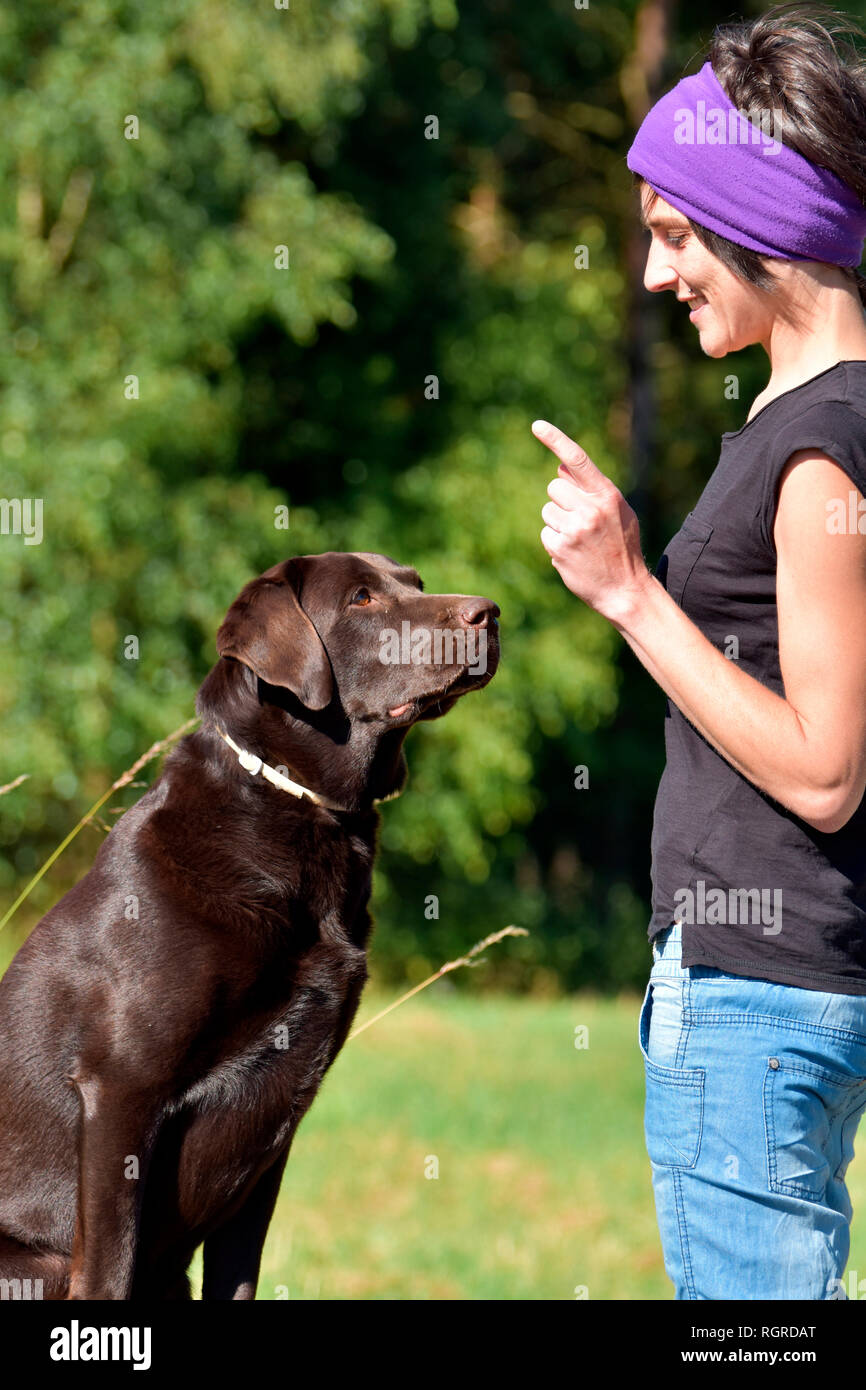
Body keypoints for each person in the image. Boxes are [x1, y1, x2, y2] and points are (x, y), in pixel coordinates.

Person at [534, 3, 866, 1299]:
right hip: (774, 990)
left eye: (674, 233)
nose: (654, 272)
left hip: (758, 1003)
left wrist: (628, 595)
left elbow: (826, 765)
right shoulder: (813, 422)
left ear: (761, 225)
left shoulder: (820, 448)